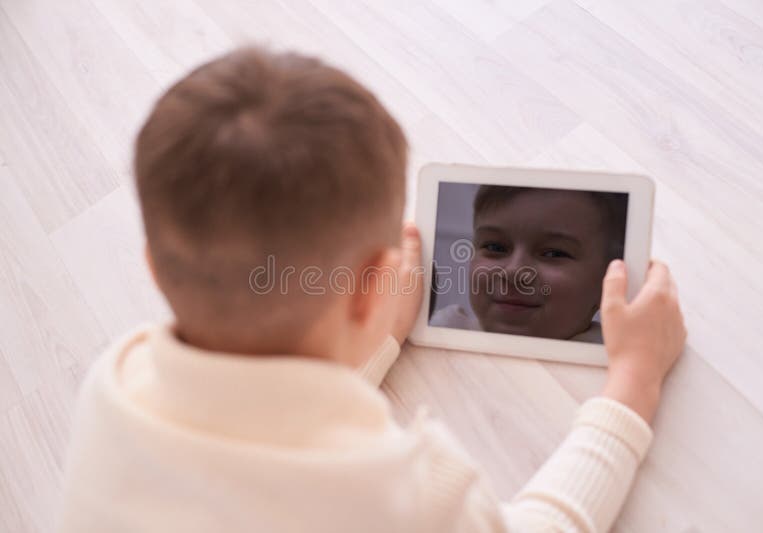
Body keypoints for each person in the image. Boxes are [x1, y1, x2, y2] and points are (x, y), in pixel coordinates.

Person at [57, 46, 687, 533]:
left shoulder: (114, 380)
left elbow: (257, 436)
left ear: (154, 267)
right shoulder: (399, 487)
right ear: (373, 285)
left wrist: (380, 335)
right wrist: (635, 379)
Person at [430, 185, 628, 344]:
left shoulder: (621, 357)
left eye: (554, 253)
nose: (514, 271)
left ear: (609, 281)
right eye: (495, 247)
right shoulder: (441, 332)